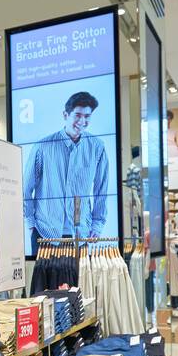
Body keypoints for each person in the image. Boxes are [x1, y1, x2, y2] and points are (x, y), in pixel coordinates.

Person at [22, 91, 110, 254]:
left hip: (80, 235)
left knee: (79, 281)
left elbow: (101, 191)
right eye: (77, 115)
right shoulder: (42, 147)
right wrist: (31, 223)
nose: (82, 121)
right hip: (45, 233)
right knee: (45, 281)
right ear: (65, 115)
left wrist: (97, 224)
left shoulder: (97, 147)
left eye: (87, 116)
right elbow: (26, 188)